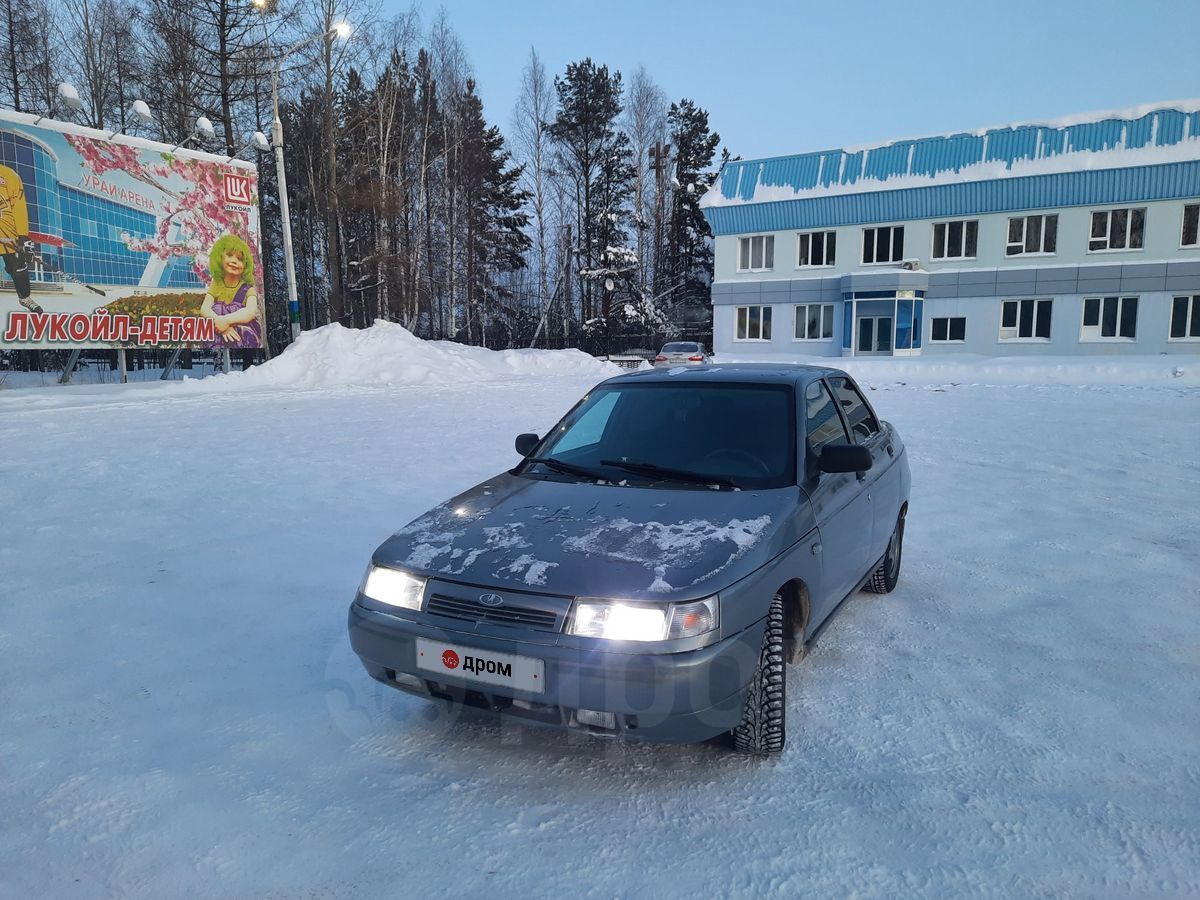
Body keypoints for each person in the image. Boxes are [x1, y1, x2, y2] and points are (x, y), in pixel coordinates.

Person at [200, 234, 262, 348]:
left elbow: (250, 312)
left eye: (240, 259)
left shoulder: (248, 289)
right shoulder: (216, 284)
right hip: (217, 334)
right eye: (229, 255)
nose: (234, 261)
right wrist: (221, 326)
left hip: (242, 338)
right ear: (219, 258)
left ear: (246, 265)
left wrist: (226, 321)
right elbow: (204, 309)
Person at [0, 163, 42, 313]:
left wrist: (22, 236)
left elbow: (18, 206)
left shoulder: (8, 174)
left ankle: (24, 298)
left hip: (8, 234)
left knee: (19, 268)